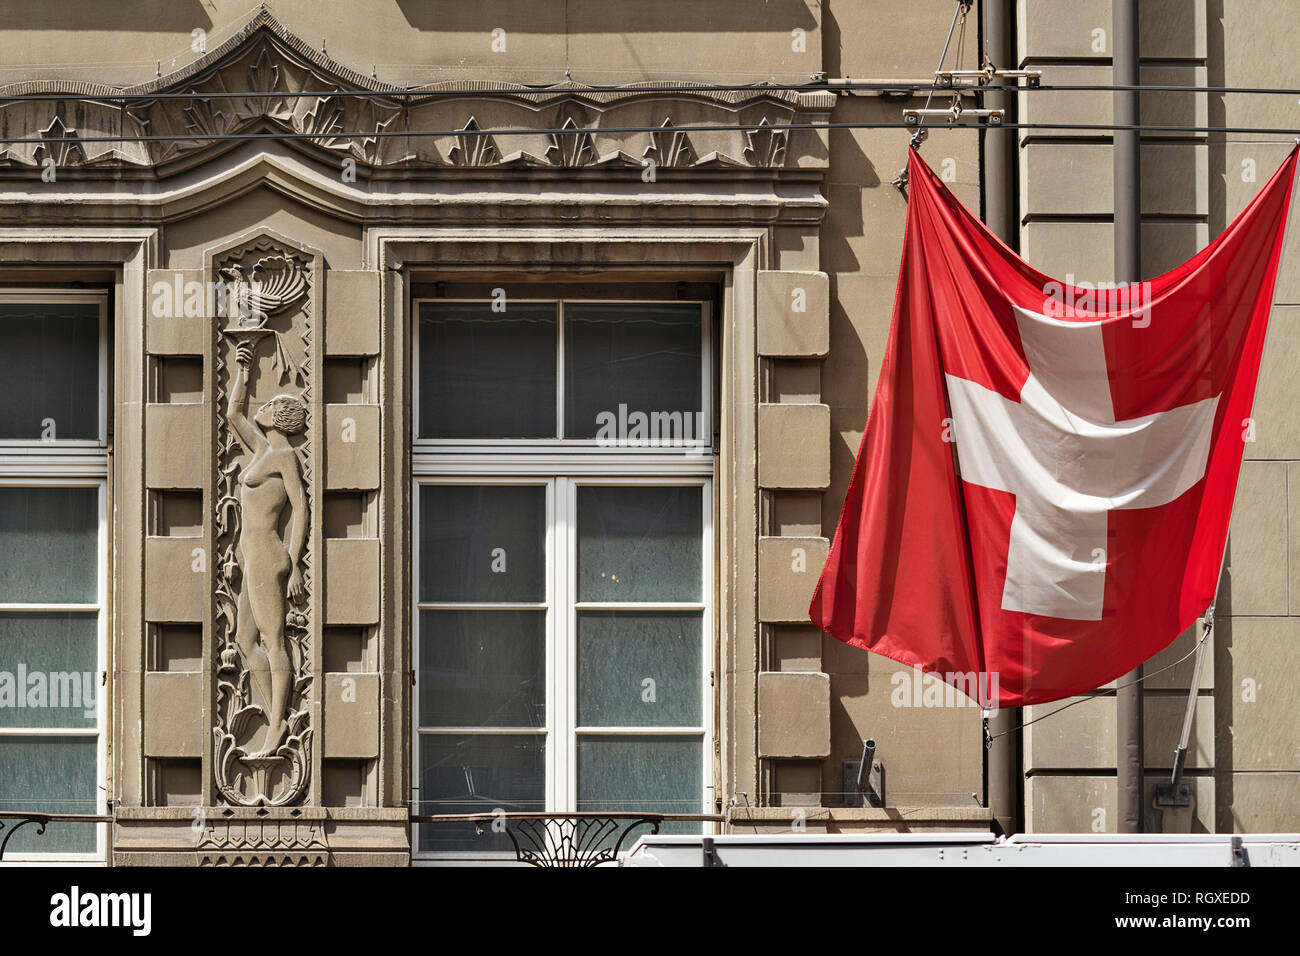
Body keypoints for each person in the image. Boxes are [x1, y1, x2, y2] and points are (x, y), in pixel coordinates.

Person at [225, 340, 308, 757]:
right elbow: (233, 414)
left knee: (274, 641)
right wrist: (244, 370)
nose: (265, 408)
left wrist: (293, 564)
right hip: (250, 558)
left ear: (281, 418)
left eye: (272, 406)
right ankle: (271, 708)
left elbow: (301, 507)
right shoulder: (261, 450)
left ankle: (277, 728)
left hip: (269, 558)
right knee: (244, 641)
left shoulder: (285, 457)